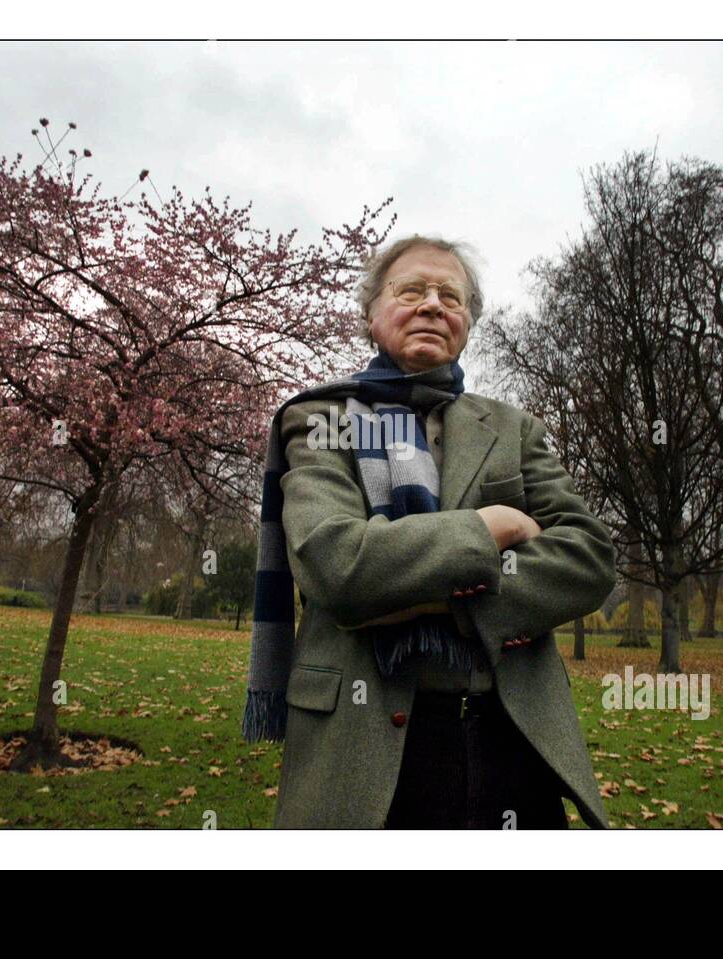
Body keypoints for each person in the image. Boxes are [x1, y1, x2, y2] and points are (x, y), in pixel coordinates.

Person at [242, 234, 616, 829]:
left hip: (513, 742)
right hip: (363, 751)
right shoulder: (321, 420)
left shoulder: (514, 430)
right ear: (371, 313)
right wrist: (490, 528)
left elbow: (590, 557)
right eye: (411, 289)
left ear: (467, 321)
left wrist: (433, 596)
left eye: (452, 296)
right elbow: (337, 565)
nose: (433, 304)